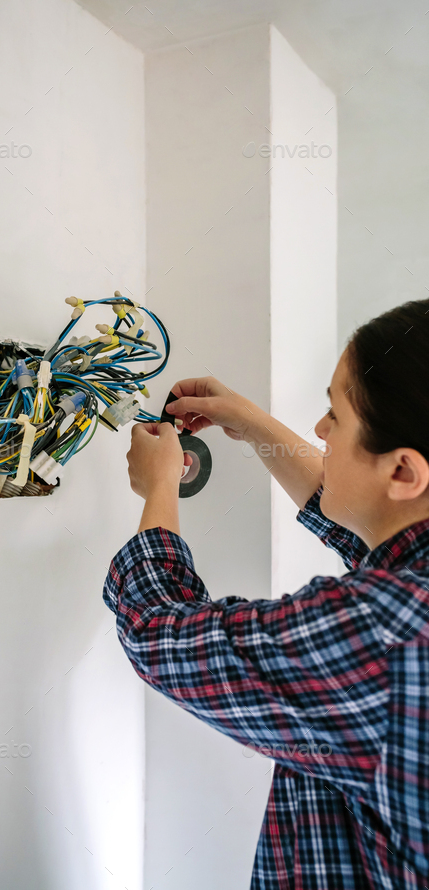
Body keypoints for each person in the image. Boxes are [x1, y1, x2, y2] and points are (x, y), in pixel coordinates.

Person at [102, 298, 429, 890]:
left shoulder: (385, 635)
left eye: (336, 415)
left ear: (403, 471)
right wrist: (249, 423)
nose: (320, 431)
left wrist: (159, 486)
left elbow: (156, 632)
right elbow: (366, 526)